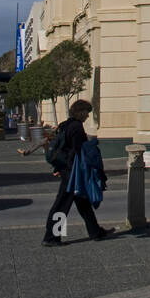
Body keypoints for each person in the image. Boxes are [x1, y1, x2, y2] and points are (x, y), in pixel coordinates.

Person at [42, 100, 114, 245]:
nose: (87, 116)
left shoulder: (65, 124)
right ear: (81, 112)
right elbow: (79, 150)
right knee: (62, 204)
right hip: (72, 172)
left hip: (67, 169)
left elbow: (64, 148)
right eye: (87, 112)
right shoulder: (76, 127)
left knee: (83, 202)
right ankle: (51, 237)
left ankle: (96, 232)